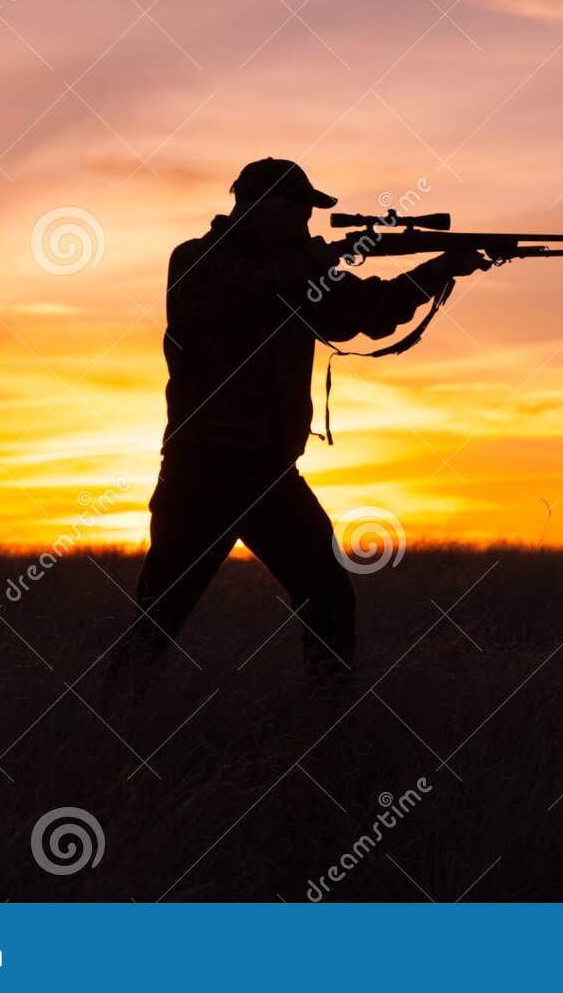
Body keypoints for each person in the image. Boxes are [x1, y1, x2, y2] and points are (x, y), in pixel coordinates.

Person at [124, 158, 488, 685]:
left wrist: (436, 271)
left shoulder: (299, 269)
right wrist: (313, 260)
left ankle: (327, 718)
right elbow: (218, 299)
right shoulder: (198, 260)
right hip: (201, 474)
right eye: (299, 210)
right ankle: (112, 714)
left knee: (329, 596)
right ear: (261, 207)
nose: (306, 222)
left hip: (268, 475)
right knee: (159, 618)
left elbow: (369, 312)